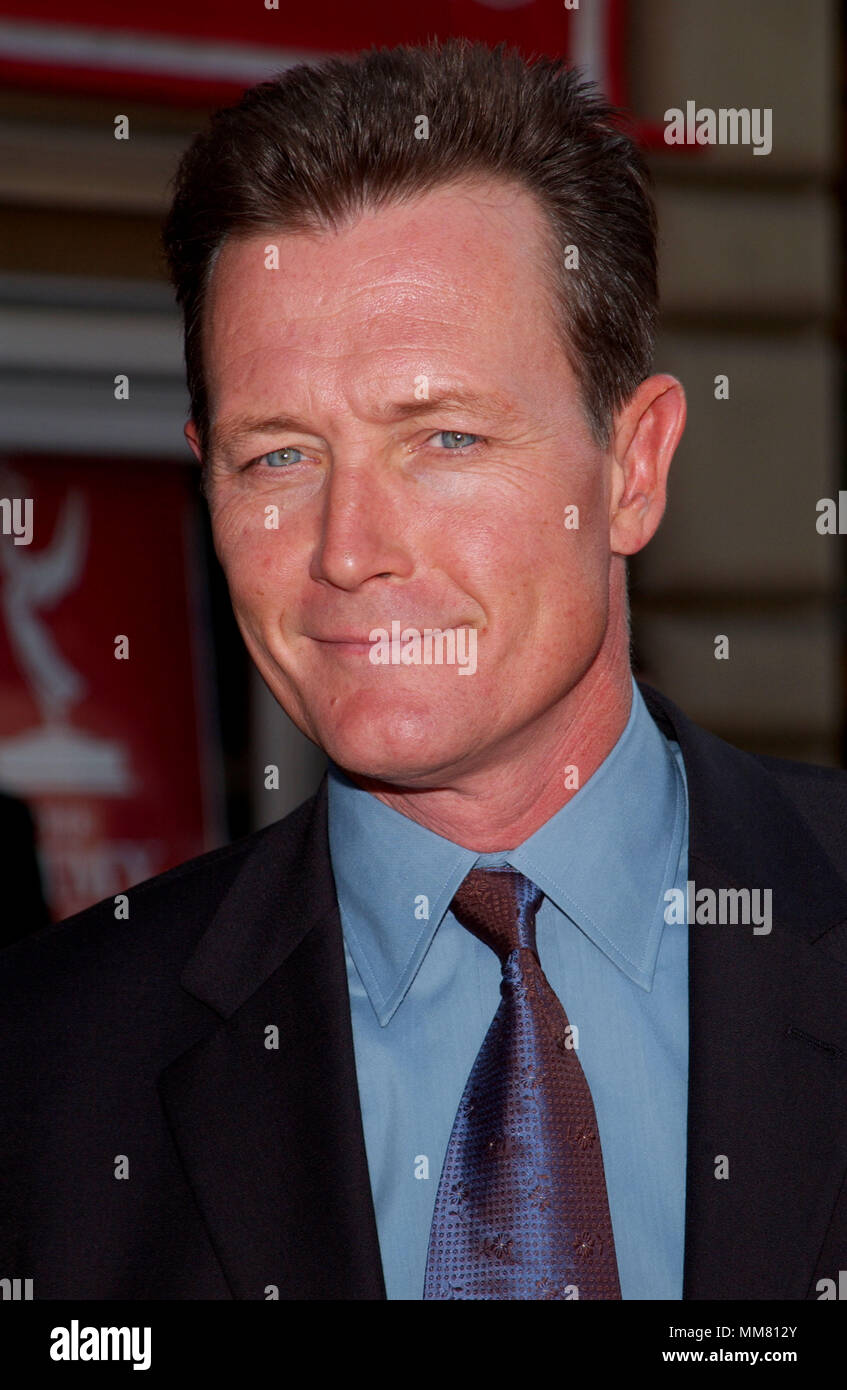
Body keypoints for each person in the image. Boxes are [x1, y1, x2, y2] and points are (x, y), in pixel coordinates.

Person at [1, 39, 845, 1302]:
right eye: (278, 457)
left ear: (632, 467)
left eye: (443, 437)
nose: (347, 552)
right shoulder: (47, 1065)